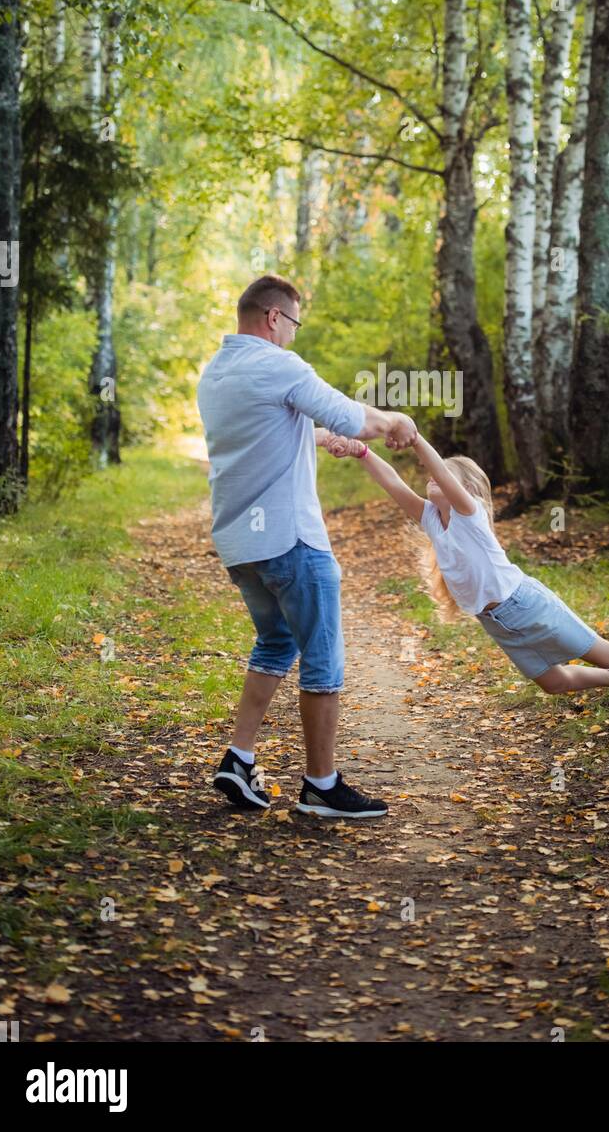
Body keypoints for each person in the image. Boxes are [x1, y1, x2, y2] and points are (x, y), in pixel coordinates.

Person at [196, 274, 417, 817]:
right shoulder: (280, 365)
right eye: (293, 322)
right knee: (323, 658)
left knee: (275, 643)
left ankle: (238, 758)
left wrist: (317, 438)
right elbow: (353, 416)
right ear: (274, 317)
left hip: (240, 544)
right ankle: (322, 783)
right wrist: (394, 420)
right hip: (290, 540)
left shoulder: (217, 373)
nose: (294, 334)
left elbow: (267, 430)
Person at [323, 429, 609, 719]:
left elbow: (439, 470)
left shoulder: (469, 515)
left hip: (525, 603)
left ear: (466, 488)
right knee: (554, 683)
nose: (434, 478)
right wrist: (361, 450)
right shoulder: (430, 519)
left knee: (604, 652)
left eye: (446, 476)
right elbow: (392, 482)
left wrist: (416, 440)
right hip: (496, 621)